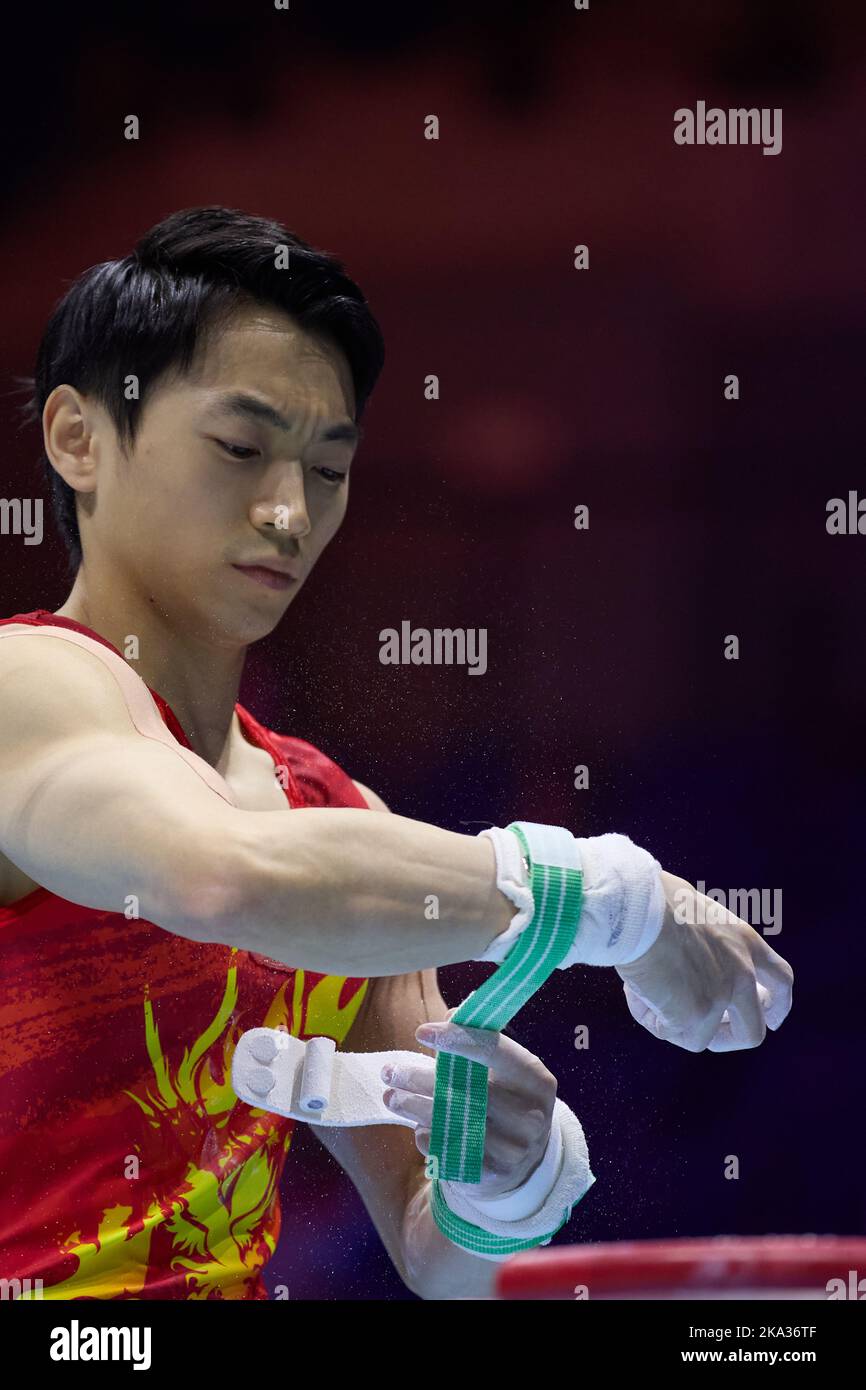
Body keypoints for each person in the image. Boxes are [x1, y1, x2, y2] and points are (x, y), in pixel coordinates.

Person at [0, 206, 793, 1302]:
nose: (288, 511)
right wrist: (614, 898)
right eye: (239, 448)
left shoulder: (334, 815)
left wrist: (502, 1188)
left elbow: (437, 1258)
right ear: (78, 438)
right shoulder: (23, 686)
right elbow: (218, 875)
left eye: (326, 468)